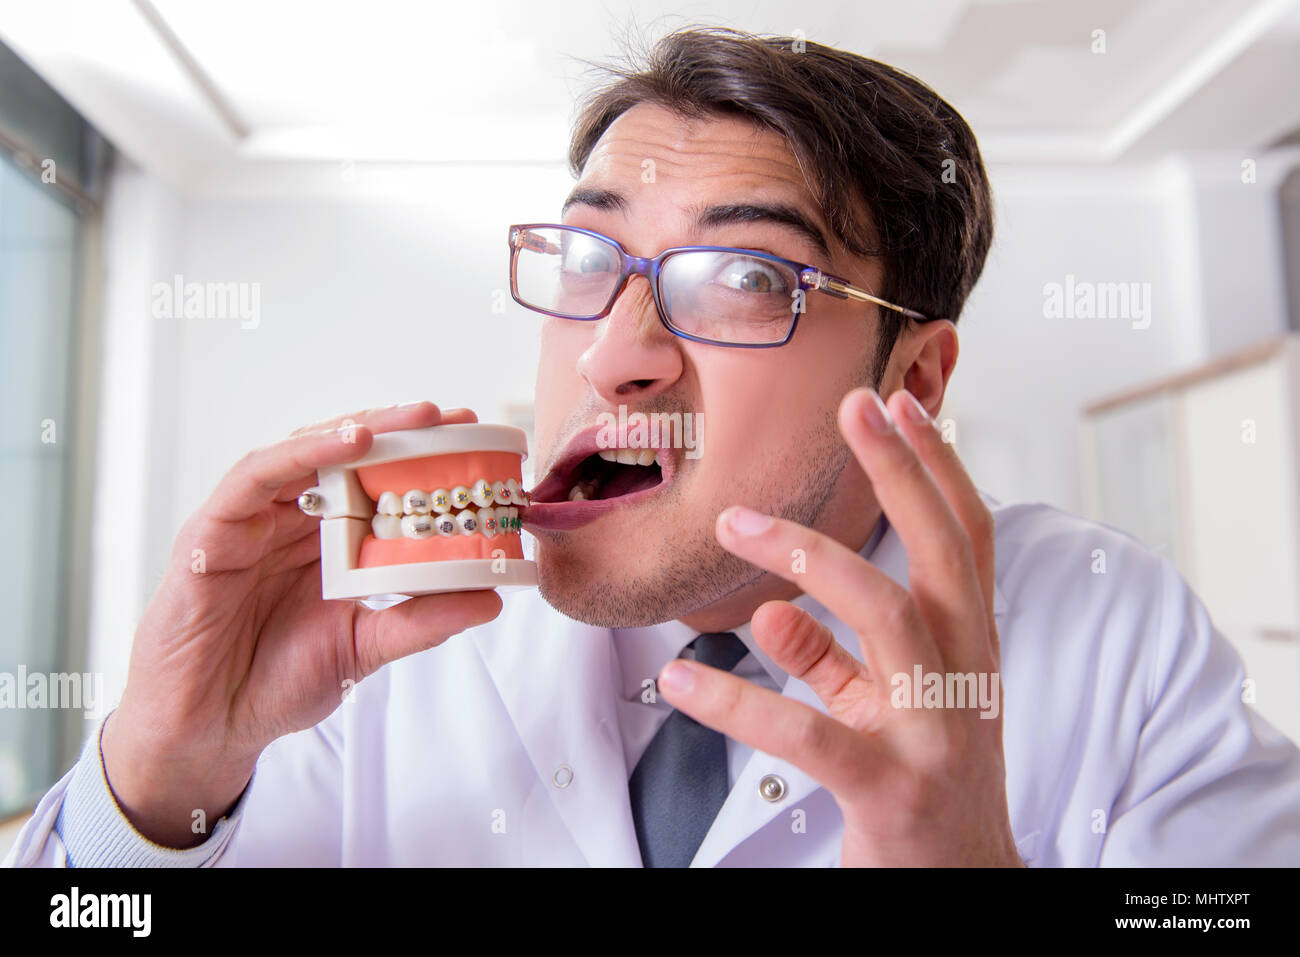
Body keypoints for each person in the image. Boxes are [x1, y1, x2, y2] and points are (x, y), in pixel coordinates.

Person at [7, 26, 1299, 868]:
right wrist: (156, 781)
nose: (618, 349)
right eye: (588, 256)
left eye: (739, 274)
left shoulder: (1106, 622)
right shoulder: (382, 653)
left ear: (914, 375)